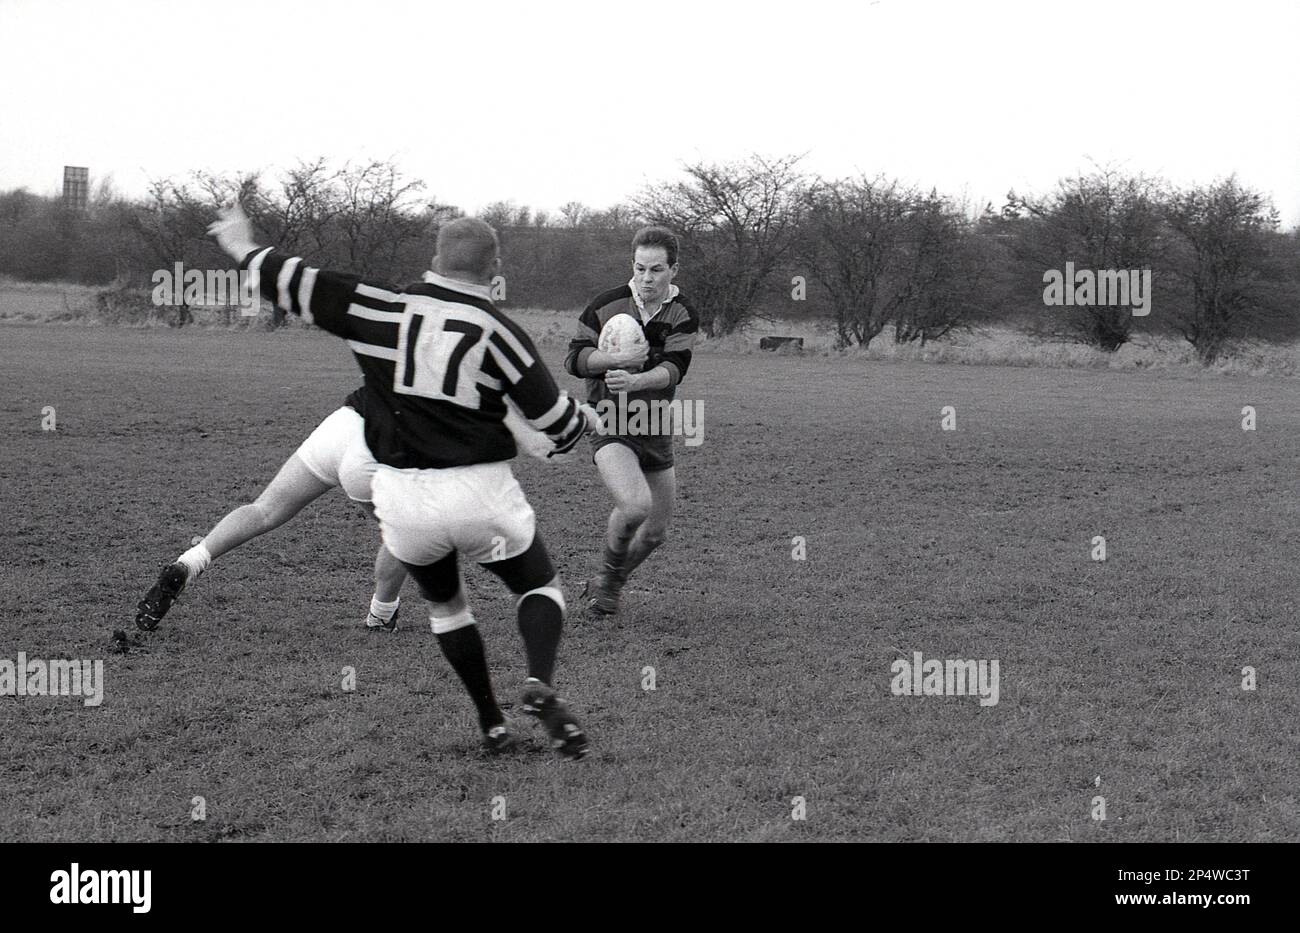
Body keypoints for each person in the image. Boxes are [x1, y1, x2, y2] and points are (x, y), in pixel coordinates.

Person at [208, 205, 597, 758]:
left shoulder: (379, 304)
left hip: (402, 499)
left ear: (435, 259)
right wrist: (584, 419)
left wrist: (244, 248)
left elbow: (293, 281)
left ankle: (491, 722)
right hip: (478, 491)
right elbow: (556, 425)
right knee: (538, 588)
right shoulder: (501, 333)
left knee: (447, 608)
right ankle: (538, 681)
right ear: (496, 268)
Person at [135, 385, 409, 633]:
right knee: (399, 533)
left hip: (340, 426)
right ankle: (381, 615)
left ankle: (189, 562)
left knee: (264, 509)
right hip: (377, 446)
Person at [564, 226, 699, 617]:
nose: (646, 279)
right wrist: (612, 361)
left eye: (656, 270)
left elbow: (676, 367)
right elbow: (574, 360)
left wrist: (637, 377)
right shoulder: (606, 304)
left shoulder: (682, 312)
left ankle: (606, 583)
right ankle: (608, 583)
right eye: (640, 269)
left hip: (655, 423)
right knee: (635, 506)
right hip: (610, 421)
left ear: (674, 269)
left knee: (655, 533)